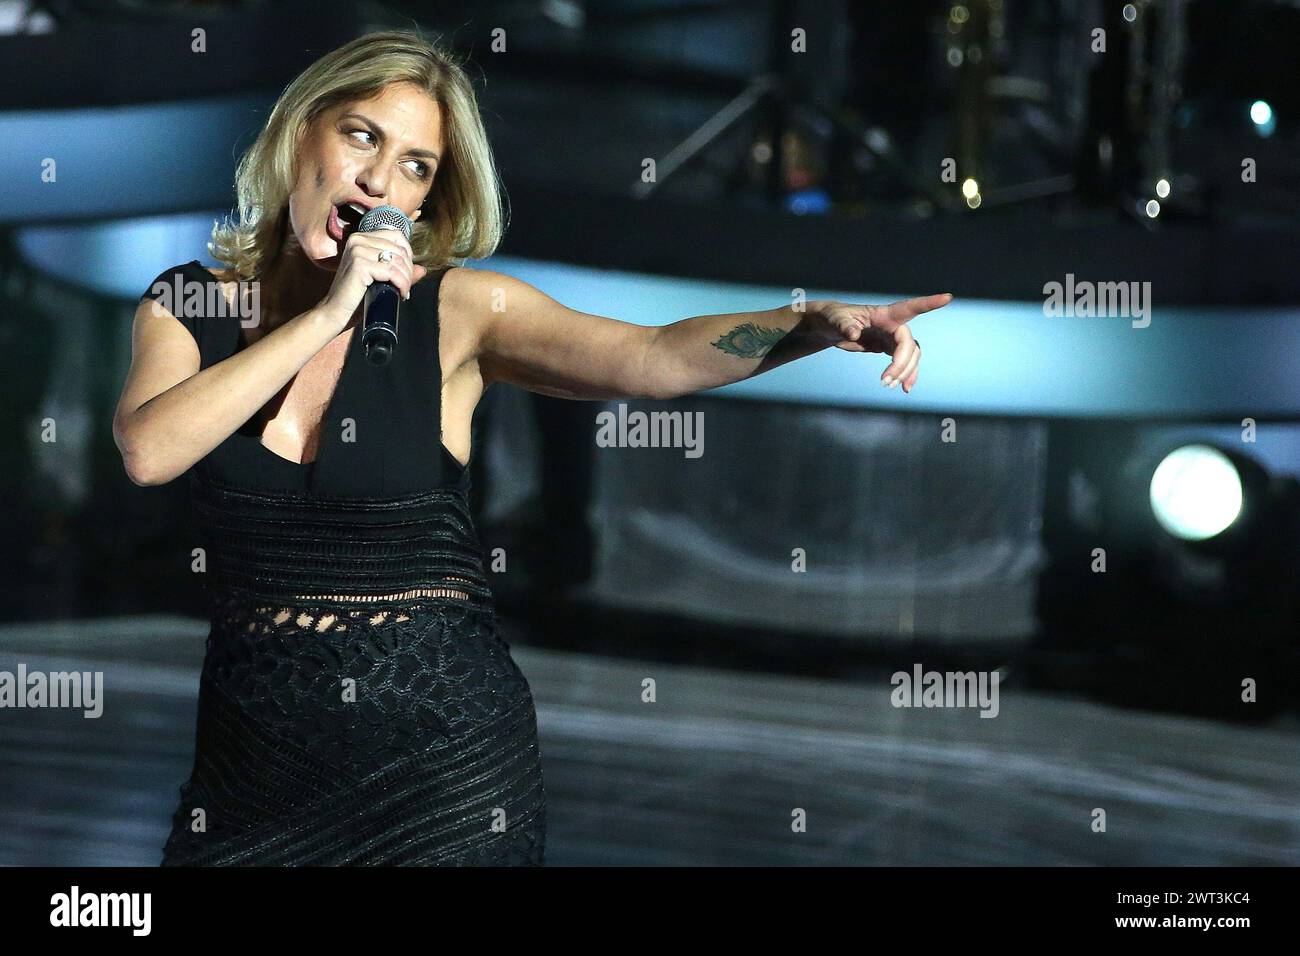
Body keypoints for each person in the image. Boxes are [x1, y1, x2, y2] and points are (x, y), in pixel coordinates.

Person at [112, 28, 950, 866]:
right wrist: (326, 315)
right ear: (303, 131)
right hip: (250, 781)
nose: (378, 180)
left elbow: (651, 356)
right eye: (362, 136)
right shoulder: (193, 302)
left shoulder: (463, 313)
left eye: (416, 166)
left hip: (444, 772)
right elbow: (151, 449)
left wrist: (809, 322)